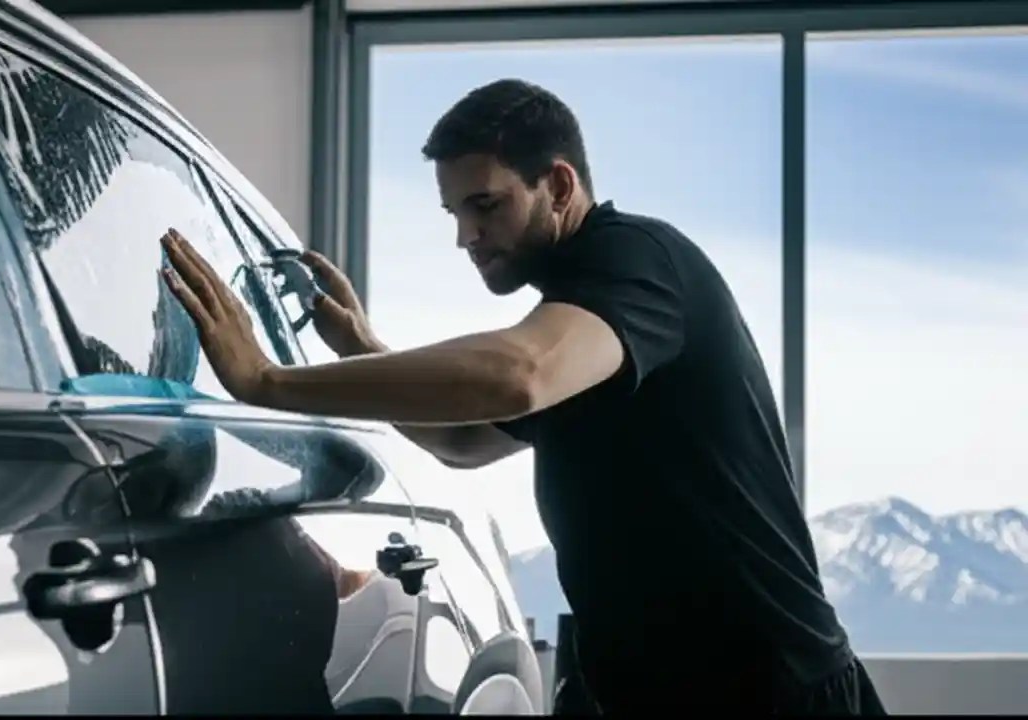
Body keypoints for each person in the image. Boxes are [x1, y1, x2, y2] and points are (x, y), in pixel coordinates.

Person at [156, 78, 887, 714]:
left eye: (485, 205)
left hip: (771, 693)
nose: (466, 237)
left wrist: (265, 382)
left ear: (559, 186)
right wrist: (362, 348)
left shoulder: (637, 263)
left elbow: (517, 373)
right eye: (453, 214)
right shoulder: (580, 320)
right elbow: (465, 439)